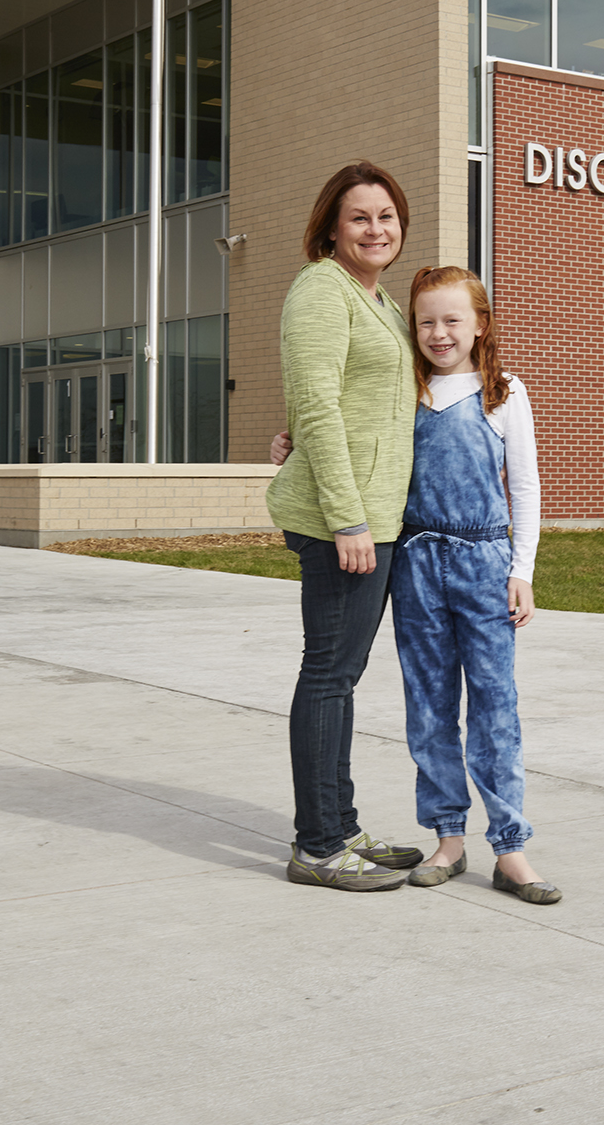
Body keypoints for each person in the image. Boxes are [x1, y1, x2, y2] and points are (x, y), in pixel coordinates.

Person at [267, 160, 424, 893]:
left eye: (387, 216)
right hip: (346, 524)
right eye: (360, 217)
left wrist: (290, 435)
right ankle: (319, 845)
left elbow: (338, 401)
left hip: (374, 518)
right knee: (328, 675)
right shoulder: (321, 289)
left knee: (342, 678)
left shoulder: (382, 301)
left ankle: (341, 825)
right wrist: (347, 519)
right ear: (332, 224)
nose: (376, 229)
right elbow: (320, 403)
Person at [393, 265, 560, 904]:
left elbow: (525, 487)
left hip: (483, 563)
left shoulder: (503, 391)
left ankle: (511, 848)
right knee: (429, 704)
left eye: (452, 319)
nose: (439, 332)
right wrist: (289, 443)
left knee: (494, 703)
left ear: (480, 325)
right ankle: (448, 839)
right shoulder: (402, 387)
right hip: (416, 564)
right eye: (427, 320)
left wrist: (523, 571)